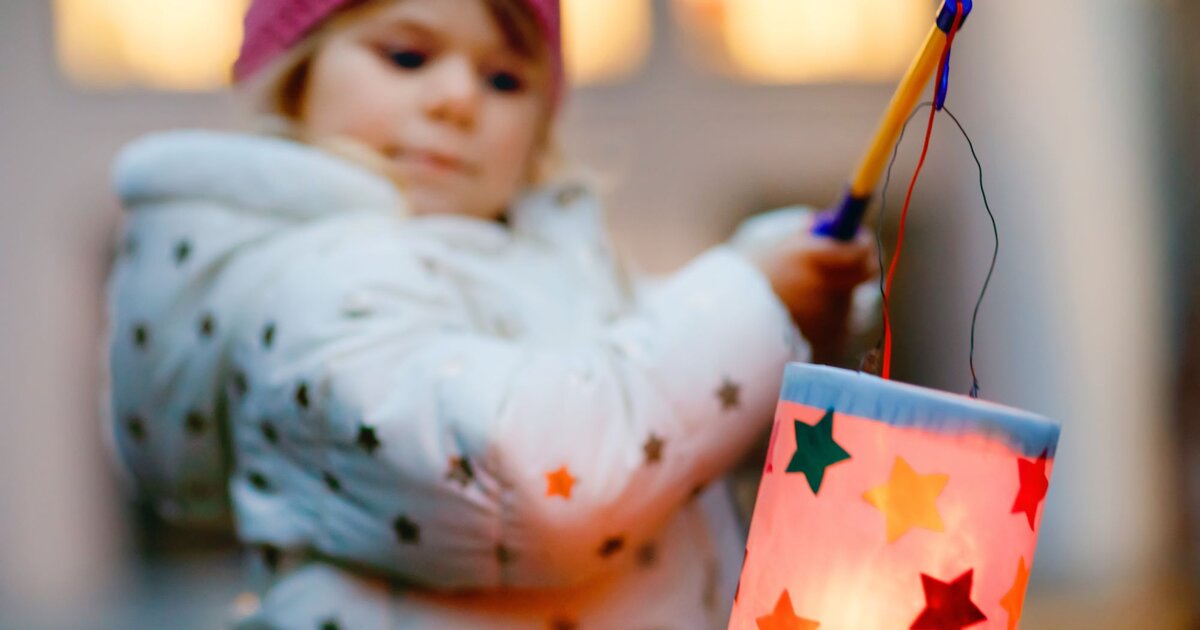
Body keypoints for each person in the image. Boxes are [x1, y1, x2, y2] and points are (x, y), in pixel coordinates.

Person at [104, 0, 877, 627]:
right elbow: (542, 480)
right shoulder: (314, 294)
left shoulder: (528, 270)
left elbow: (662, 406)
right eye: (407, 56)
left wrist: (789, 302)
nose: (458, 99)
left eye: (505, 78)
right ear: (297, 74)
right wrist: (748, 301)